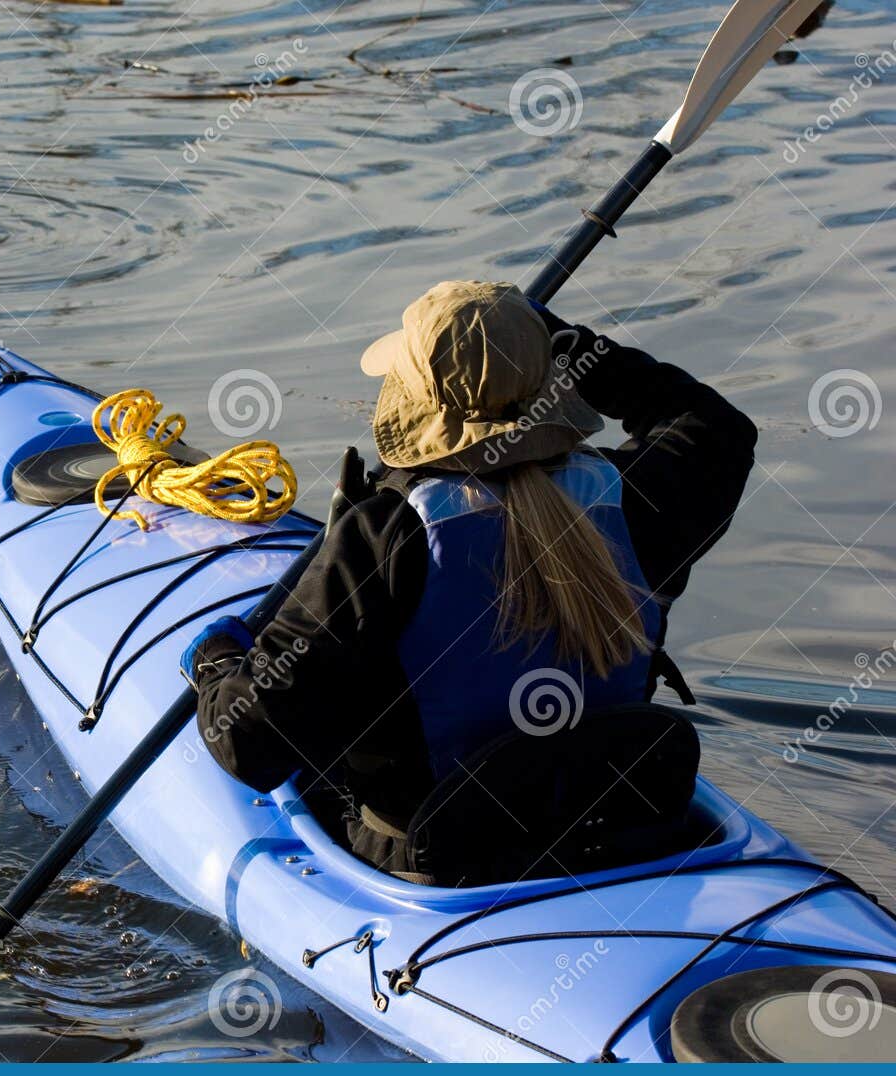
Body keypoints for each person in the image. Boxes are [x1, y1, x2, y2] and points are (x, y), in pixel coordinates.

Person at [180, 280, 756, 872]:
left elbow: (251, 746)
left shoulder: (383, 536)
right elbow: (715, 424)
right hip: (627, 832)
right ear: (554, 383)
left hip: (447, 866)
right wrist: (573, 344)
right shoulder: (639, 498)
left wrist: (218, 664)